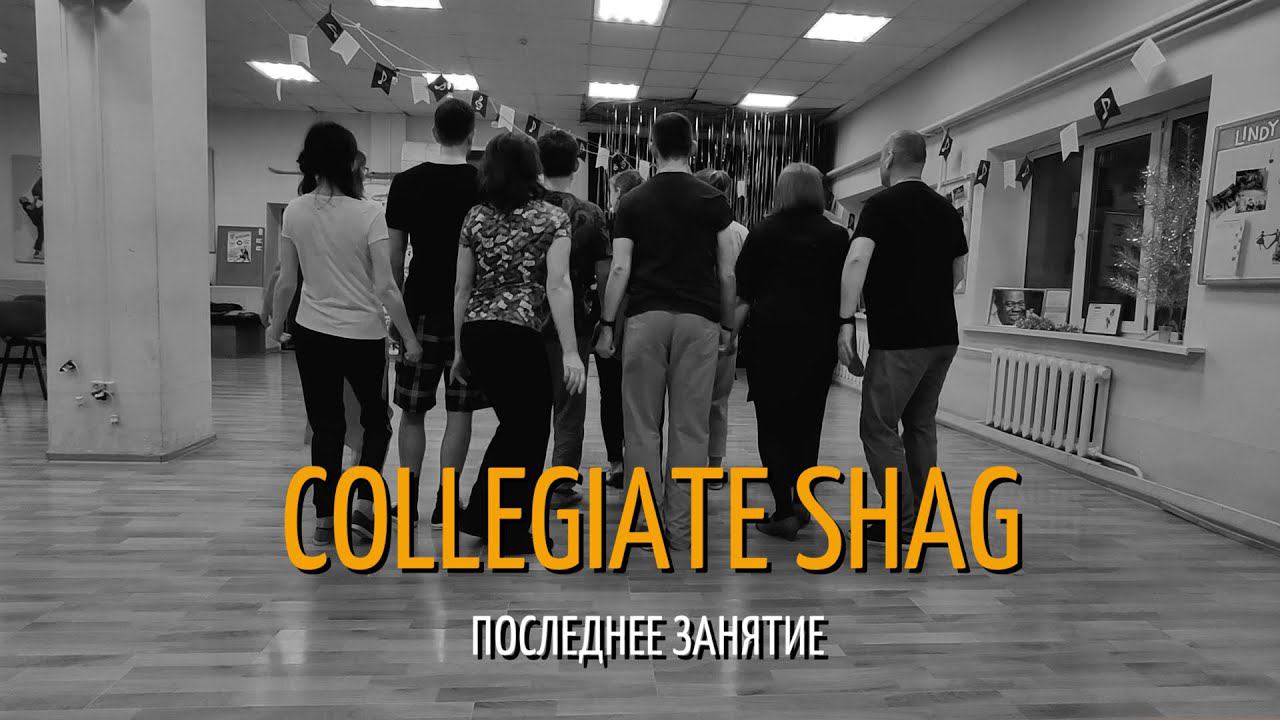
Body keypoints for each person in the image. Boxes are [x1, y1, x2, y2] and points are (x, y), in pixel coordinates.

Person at [268, 122, 423, 545]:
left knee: (326, 427)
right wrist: (409, 338)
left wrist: (275, 327)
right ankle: (363, 505)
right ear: (350, 161)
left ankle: (324, 520)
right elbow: (386, 286)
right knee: (377, 423)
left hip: (311, 333)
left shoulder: (294, 211)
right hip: (362, 335)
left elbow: (286, 282)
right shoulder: (368, 213)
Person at [596, 112, 738, 551]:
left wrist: (607, 324)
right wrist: (728, 324)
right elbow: (727, 272)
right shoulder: (714, 200)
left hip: (645, 318)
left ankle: (645, 523)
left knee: (640, 425)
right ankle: (682, 530)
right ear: (693, 148)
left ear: (652, 149)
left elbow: (620, 269)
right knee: (691, 427)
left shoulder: (632, 201)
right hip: (700, 320)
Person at [453, 130, 585, 556]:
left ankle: (491, 523)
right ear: (534, 167)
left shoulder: (475, 216)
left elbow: (462, 287)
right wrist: (570, 351)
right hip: (519, 333)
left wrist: (459, 350)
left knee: (515, 429)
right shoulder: (552, 217)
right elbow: (558, 285)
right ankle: (499, 529)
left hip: (477, 333)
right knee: (527, 434)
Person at [837, 129, 968, 547]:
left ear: (890, 157)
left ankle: (904, 523)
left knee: (878, 427)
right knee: (920, 426)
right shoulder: (947, 210)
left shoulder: (881, 205)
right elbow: (959, 273)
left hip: (900, 340)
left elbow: (857, 259)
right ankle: (918, 521)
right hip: (943, 337)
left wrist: (845, 319)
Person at [386, 97, 489, 530]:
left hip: (419, 308)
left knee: (412, 410)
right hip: (470, 314)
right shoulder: (484, 184)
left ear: (434, 133)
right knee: (460, 410)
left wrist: (397, 316)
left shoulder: (406, 183)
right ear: (472, 136)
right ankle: (447, 502)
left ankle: (407, 502)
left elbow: (395, 257)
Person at [737, 163, 851, 540]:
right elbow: (847, 289)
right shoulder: (837, 236)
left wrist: (728, 336)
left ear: (781, 191)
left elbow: (744, 291)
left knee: (772, 425)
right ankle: (803, 502)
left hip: (770, 340)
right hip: (818, 341)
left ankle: (783, 510)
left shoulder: (763, 232)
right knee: (808, 424)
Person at [535, 130, 610, 508]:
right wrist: (607, 319)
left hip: (525, 319)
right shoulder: (590, 214)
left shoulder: (522, 207)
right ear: (577, 166)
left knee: (528, 405)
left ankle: (523, 479)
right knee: (569, 406)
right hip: (574, 320)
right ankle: (561, 485)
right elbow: (604, 273)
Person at [693, 168, 749, 487]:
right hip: (729, 320)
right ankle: (714, 468)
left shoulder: (688, 230)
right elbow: (745, 286)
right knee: (718, 400)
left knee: (687, 400)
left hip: (692, 321)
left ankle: (687, 464)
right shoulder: (740, 233)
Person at [596, 169, 644, 488]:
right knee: (644, 397)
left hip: (616, 312)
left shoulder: (611, 226)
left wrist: (606, 322)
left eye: (613, 192)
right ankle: (641, 462)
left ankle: (616, 463)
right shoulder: (655, 224)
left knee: (611, 394)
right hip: (645, 314)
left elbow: (613, 271)